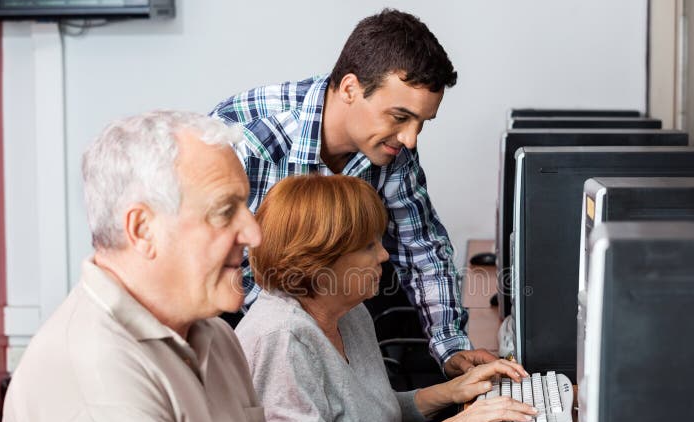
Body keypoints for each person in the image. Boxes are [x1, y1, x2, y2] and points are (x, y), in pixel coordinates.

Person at [2, 111, 552, 422]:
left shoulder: (212, 336)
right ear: (142, 230)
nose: (254, 233)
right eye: (225, 211)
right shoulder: (95, 376)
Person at [211, 8, 498, 378]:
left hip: (321, 319)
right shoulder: (245, 140)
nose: (410, 138)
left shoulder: (392, 149)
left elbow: (423, 250)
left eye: (421, 123)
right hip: (240, 329)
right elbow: (203, 264)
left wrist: (451, 348)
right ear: (349, 89)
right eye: (400, 117)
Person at [236, 174, 539, 422]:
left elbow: (367, 419)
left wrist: (452, 391)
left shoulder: (348, 311)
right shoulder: (281, 340)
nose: (384, 255)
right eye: (369, 246)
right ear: (319, 261)